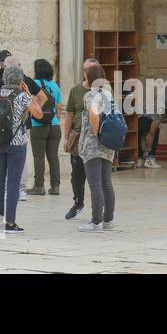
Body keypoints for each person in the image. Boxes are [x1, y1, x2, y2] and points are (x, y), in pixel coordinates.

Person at [0, 61, 42, 236]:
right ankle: (10, 223)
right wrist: (28, 93)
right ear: (20, 80)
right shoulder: (22, 96)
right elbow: (38, 113)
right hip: (15, 144)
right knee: (13, 183)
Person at [77, 63, 117, 231]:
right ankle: (108, 219)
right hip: (108, 144)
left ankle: (96, 221)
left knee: (95, 184)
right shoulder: (108, 94)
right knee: (106, 182)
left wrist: (96, 134)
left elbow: (94, 115)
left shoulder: (90, 95)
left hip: (93, 144)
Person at [61, 57, 101, 220]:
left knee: (96, 177)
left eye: (90, 70)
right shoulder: (76, 90)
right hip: (77, 137)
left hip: (96, 139)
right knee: (77, 175)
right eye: (84, 69)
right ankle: (78, 202)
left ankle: (98, 209)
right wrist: (66, 138)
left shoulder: (103, 90)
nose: (86, 73)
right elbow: (70, 115)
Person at [27, 58, 62, 195]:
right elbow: (59, 107)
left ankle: (39, 186)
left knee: (39, 156)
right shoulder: (55, 85)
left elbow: (32, 102)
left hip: (38, 124)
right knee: (53, 156)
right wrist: (55, 120)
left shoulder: (34, 83)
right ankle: (55, 186)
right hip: (54, 125)